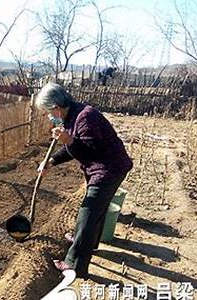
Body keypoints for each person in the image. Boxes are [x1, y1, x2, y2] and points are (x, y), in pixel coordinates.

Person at [35, 82, 133, 279]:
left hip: (109, 169)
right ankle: (88, 242)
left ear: (55, 107)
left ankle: (74, 265)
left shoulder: (84, 117)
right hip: (110, 167)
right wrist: (52, 161)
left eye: (48, 111)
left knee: (88, 214)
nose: (49, 115)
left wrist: (68, 140)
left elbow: (91, 151)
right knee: (97, 210)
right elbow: (75, 147)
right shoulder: (73, 116)